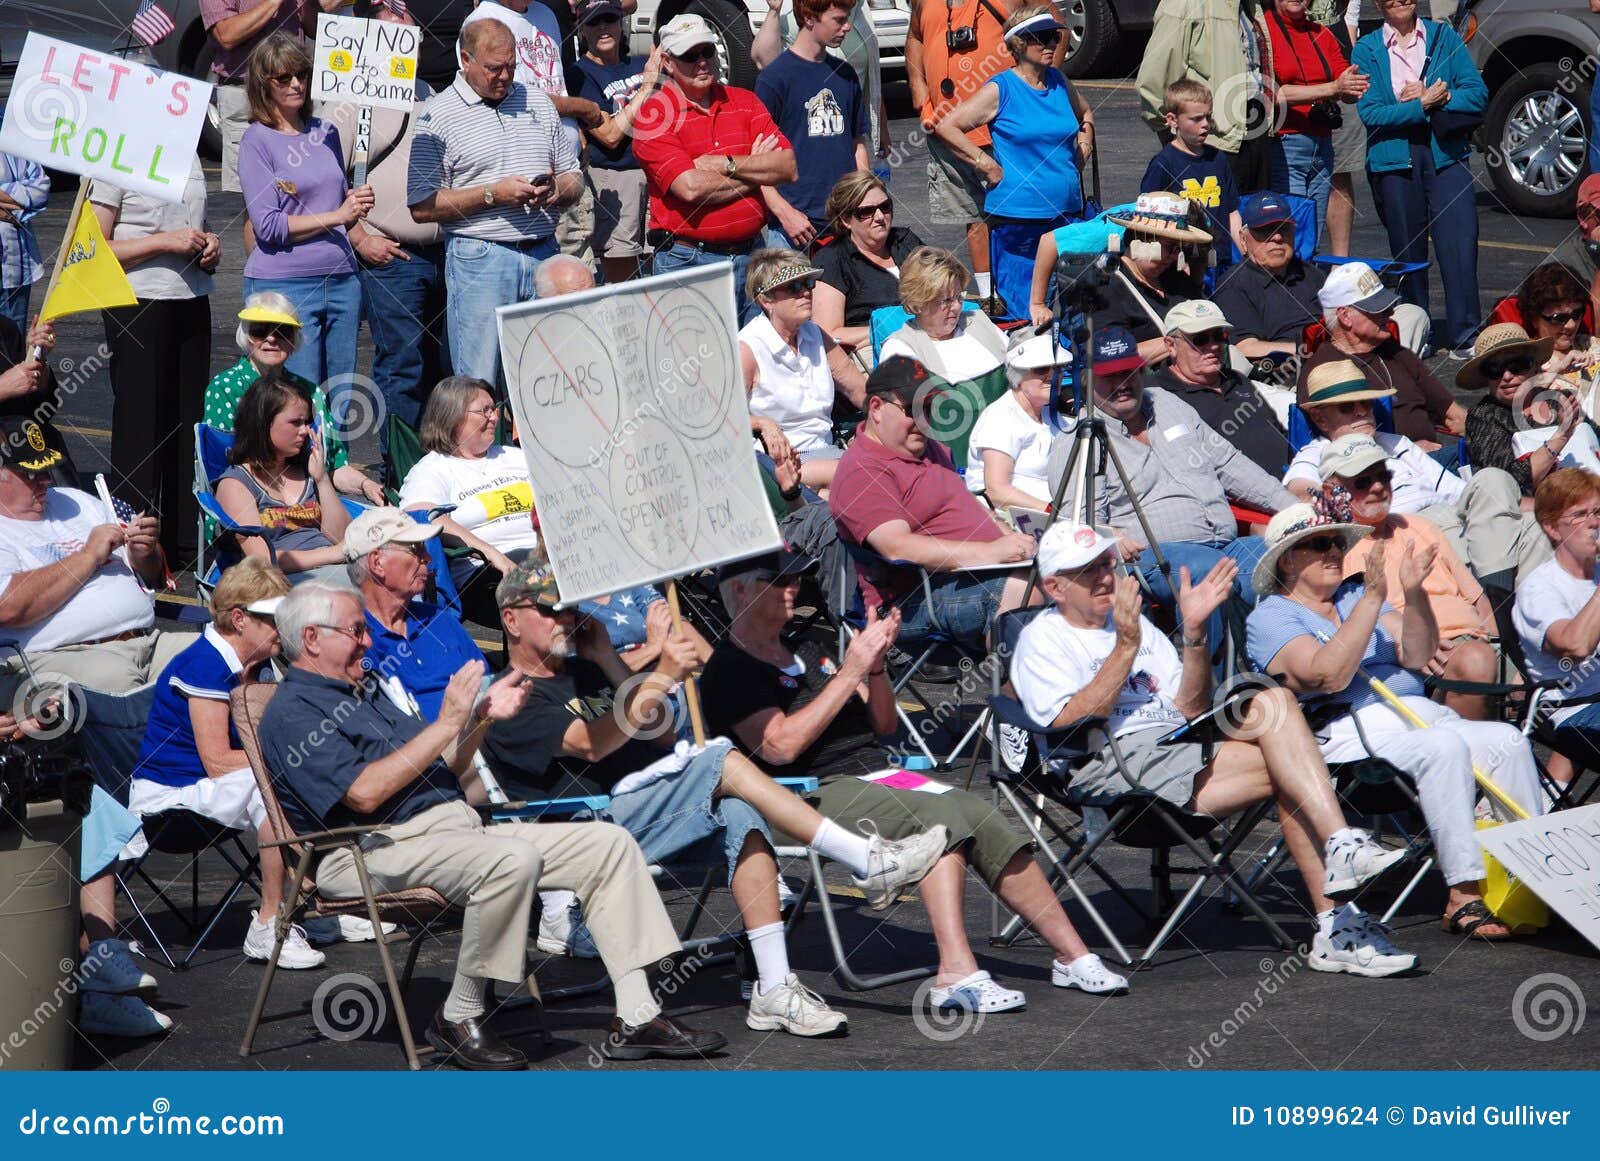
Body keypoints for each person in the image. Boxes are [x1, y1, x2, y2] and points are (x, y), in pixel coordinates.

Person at [257, 580, 728, 1069]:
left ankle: (637, 1013)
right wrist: (447, 720)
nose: (368, 642)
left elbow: (443, 764)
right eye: (356, 632)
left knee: (607, 843)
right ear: (312, 638)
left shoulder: (366, 688)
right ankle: (458, 1014)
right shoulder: (294, 712)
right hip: (365, 850)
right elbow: (365, 793)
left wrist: (478, 719)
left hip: (451, 830)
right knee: (510, 859)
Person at [479, 558, 950, 1036]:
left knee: (739, 812)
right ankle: (863, 860)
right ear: (511, 620)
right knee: (720, 758)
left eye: (568, 609)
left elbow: (660, 733)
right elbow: (592, 742)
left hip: (642, 814)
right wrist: (663, 670)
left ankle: (773, 986)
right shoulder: (510, 695)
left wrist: (605, 657)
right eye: (548, 610)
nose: (565, 619)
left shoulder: (585, 673)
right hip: (583, 829)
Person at [703, 548, 1130, 1010]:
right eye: (780, 580)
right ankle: (955, 972)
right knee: (940, 818)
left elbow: (884, 725)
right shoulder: (731, 668)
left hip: (874, 774)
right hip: (804, 794)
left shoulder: (812, 643)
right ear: (741, 590)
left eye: (798, 580)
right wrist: (849, 672)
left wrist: (877, 666)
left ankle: (1072, 955)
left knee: (979, 812)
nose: (794, 589)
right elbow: (780, 747)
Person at [1014, 518, 1418, 976]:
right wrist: (1125, 644)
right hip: (1116, 764)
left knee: (1275, 700)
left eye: (1107, 562)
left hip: (1179, 745)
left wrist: (1194, 634)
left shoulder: (1137, 626)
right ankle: (1337, 922)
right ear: (1054, 586)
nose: (1106, 575)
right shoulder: (1041, 639)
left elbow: (1188, 707)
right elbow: (1072, 725)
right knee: (1290, 765)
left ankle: (1340, 863)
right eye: (1088, 570)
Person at [1247, 502, 1547, 941]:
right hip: (1348, 728)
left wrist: (1414, 590)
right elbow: (1325, 676)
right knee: (1444, 749)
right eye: (1318, 544)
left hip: (1417, 714)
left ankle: (1532, 882)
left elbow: (1418, 654)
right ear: (1288, 560)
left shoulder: (1352, 594)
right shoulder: (1272, 616)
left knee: (1508, 742)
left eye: (1336, 542)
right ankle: (1462, 894)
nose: (1334, 551)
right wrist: (1371, 600)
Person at [124, 560, 333, 969]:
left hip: (213, 789)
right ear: (239, 619)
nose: (285, 630)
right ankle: (270, 926)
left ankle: (309, 904)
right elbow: (218, 761)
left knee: (308, 776)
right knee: (273, 785)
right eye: (276, 620)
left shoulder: (261, 663)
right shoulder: (205, 664)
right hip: (171, 798)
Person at [1045, 327, 1294, 651]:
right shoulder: (1082, 439)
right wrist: (1109, 537)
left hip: (1226, 543)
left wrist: (1293, 508)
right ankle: (1217, 688)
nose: (1123, 383)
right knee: (1207, 576)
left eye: (1129, 371)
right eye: (1110, 376)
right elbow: (1076, 526)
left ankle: (1288, 668)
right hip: (1155, 556)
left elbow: (1229, 463)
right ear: (1087, 380)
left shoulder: (1165, 403)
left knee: (1289, 560)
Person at [408, 19, 583, 387]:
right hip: (481, 260)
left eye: (511, 67)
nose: (504, 76)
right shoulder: (436, 115)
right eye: (493, 68)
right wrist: (493, 195)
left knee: (549, 380)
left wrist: (555, 190)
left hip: (543, 253)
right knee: (478, 382)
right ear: (465, 59)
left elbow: (573, 178)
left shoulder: (537, 101)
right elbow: (421, 206)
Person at [829, 356, 1037, 651]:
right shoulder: (863, 472)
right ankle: (1011, 691)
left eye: (928, 409)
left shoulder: (928, 447)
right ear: (876, 408)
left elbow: (962, 501)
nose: (923, 421)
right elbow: (897, 547)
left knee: (1075, 574)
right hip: (910, 602)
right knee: (1026, 588)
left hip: (969, 575)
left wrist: (1000, 529)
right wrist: (992, 552)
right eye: (912, 409)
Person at [322, 7, 450, 467]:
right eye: (390, 25)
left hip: (440, 253)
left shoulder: (429, 92)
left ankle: (437, 470)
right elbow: (322, 175)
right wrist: (357, 236)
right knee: (403, 367)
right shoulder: (351, 100)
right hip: (390, 257)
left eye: (408, 25)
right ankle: (403, 472)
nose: (404, 34)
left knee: (438, 370)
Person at [1288, 359, 1541, 588]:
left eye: (1366, 402)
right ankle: (1497, 604)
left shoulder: (1395, 442)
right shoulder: (1318, 454)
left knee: (1527, 518)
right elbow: (1299, 493)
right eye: (1347, 407)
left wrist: (1542, 507)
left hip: (1452, 516)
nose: (1361, 411)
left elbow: (1460, 493)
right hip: (1403, 532)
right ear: (1321, 419)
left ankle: (1513, 613)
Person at [91, 154, 219, 566]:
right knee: (140, 424)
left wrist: (210, 243)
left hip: (192, 297)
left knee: (187, 421)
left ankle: (184, 541)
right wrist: (164, 242)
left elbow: (198, 224)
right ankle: (134, 542)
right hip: (137, 300)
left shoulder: (191, 155)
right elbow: (93, 248)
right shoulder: (114, 155)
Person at [0, 417, 192, 693]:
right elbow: (8, 608)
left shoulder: (76, 501)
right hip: (65, 656)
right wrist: (88, 556)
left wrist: (143, 554)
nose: (45, 481)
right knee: (126, 690)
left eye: (47, 469)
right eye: (31, 474)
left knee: (222, 661)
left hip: (145, 640)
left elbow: (151, 576)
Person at [239, 32, 372, 427]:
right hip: (287, 285)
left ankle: (334, 481)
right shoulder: (256, 141)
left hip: (342, 278)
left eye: (301, 74)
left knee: (340, 400)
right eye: (284, 78)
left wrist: (356, 201)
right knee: (298, 399)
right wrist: (338, 216)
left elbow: (333, 194)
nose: (296, 83)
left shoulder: (325, 131)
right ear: (265, 85)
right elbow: (268, 226)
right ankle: (298, 484)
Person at [632, 15, 798, 326]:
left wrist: (725, 164)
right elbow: (691, 188)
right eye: (689, 56)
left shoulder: (745, 101)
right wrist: (756, 170)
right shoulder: (653, 117)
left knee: (758, 363)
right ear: (667, 62)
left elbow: (787, 166)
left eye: (707, 51)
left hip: (753, 257)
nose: (702, 62)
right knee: (702, 367)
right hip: (690, 262)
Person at [931, 6, 1092, 321]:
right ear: (1018, 44)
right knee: (1024, 315)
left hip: (1067, 216)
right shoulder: (1001, 88)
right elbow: (947, 126)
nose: (1052, 44)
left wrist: (1083, 145)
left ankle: (1073, 369)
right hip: (1020, 222)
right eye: (1041, 38)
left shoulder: (1058, 81)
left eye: (1055, 37)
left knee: (1077, 312)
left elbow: (1085, 113)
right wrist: (985, 164)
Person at [1320, 433, 1497, 719]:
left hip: (1480, 642)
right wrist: (1417, 641)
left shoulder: (1419, 526)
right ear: (1332, 491)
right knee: (1477, 662)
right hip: (1425, 659)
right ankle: (1480, 760)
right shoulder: (1332, 553)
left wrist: (1498, 647)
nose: (1378, 487)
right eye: (1362, 482)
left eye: (1383, 476)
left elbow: (1479, 601)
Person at [1352, 0, 1486, 357]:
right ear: (1378, 3)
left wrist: (1442, 96)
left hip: (1445, 154)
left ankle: (1465, 334)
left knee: (1459, 242)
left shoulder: (1444, 37)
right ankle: (1416, 330)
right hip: (1393, 159)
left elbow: (1477, 93)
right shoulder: (1366, 48)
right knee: (1407, 250)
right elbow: (1372, 113)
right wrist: (1420, 105)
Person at [457, 0, 606, 268]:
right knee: (546, 279)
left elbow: (553, 81)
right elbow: (513, 96)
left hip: (566, 169)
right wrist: (581, 108)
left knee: (577, 273)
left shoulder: (545, 14)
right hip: (527, 180)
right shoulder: (483, 21)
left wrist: (574, 130)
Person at [204, 294, 384, 506]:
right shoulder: (226, 387)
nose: (271, 338)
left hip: (307, 505)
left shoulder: (310, 391)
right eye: (260, 330)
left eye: (282, 331)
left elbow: (334, 466)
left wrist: (366, 485)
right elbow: (223, 465)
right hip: (248, 503)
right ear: (247, 336)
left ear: (293, 340)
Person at [905, 0, 1031, 300]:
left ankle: (1021, 295)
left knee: (1017, 218)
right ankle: (990, 300)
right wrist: (920, 94)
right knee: (974, 220)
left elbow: (1051, 24)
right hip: (948, 132)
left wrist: (1039, 90)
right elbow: (915, 37)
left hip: (1004, 129)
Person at [1213, 195, 1428, 360]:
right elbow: (1246, 348)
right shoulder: (1234, 285)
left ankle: (1384, 374)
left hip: (1345, 344)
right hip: (1298, 364)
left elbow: (1347, 313)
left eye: (1283, 229)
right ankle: (1384, 376)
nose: (1277, 237)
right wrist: (1312, 348)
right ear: (1243, 238)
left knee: (1412, 314)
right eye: (1265, 231)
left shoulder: (1310, 272)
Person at [398, 376, 540, 625]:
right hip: (484, 572)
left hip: (544, 557)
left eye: (494, 409)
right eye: (484, 411)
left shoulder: (515, 457)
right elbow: (422, 516)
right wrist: (492, 553)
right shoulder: (433, 468)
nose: (494, 417)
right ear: (452, 416)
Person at [739, 250, 867, 496]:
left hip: (826, 452)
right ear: (767, 300)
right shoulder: (748, 347)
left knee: (840, 497)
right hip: (780, 462)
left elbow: (859, 390)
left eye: (808, 283)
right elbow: (725, 419)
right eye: (793, 286)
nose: (806, 292)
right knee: (866, 476)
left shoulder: (816, 335)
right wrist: (762, 422)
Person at [344, 509, 487, 724]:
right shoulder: (348, 640)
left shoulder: (441, 619)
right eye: (416, 549)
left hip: (481, 739)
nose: (428, 558)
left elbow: (486, 687)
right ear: (377, 563)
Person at [1300, 261, 1462, 449]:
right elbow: (1339, 447)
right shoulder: (1324, 372)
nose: (1390, 312)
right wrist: (1409, 452)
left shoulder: (1395, 352)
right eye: (1377, 309)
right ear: (1345, 316)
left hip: (1435, 460)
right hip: (1383, 469)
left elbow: (1453, 415)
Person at [1034, 192, 1207, 362]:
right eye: (1171, 248)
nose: (1178, 257)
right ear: (1143, 240)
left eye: (1182, 249)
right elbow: (1049, 241)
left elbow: (1201, 259)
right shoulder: (1107, 283)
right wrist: (1037, 304)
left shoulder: (1175, 277)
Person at [755, 0, 871, 250]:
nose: (847, 27)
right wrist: (785, 213)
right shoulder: (775, 79)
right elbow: (754, 163)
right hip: (792, 230)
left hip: (844, 223)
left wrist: (864, 199)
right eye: (839, 20)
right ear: (809, 18)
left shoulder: (846, 74)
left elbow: (856, 143)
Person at [215, 378, 354, 584]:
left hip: (334, 569)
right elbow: (261, 561)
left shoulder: (308, 472)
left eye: (307, 422)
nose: (305, 430)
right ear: (263, 423)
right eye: (295, 422)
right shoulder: (236, 484)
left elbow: (343, 538)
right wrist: (333, 554)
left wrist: (322, 479)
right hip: (281, 582)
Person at [1513, 468, 1600, 792]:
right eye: (1579, 515)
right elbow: (1576, 646)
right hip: (1574, 712)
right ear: (1551, 528)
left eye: (1598, 511)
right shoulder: (1540, 588)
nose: (1594, 523)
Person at [1138, 0, 1276, 195]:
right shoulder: (1183, 4)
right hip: (1214, 138)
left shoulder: (1250, 5)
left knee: (1252, 219)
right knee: (1210, 220)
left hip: (1253, 128)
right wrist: (1174, 134)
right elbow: (1154, 79)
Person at [880, 247, 1009, 445]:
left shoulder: (979, 322)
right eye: (946, 300)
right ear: (918, 302)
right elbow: (904, 427)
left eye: (959, 297)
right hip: (949, 461)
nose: (957, 307)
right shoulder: (901, 348)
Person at [571, 3, 661, 284]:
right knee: (621, 272)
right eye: (593, 22)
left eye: (609, 20)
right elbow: (609, 136)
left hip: (655, 172)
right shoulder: (579, 74)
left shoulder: (639, 62)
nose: (603, 28)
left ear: (622, 22)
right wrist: (647, 88)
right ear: (582, 30)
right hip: (615, 177)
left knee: (657, 261)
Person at [1149, 299, 1288, 477]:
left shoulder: (1237, 379)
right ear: (1171, 345)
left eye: (1219, 336)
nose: (1213, 346)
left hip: (1295, 481)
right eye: (1200, 339)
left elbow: (1278, 431)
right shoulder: (1159, 396)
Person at [1263, 0, 1368, 235]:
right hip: (1285, 145)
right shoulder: (1265, 31)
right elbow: (1272, 93)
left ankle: (1312, 271)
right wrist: (1333, 88)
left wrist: (1353, 87)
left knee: (1312, 233)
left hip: (1322, 145)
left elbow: (1344, 82)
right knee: (1291, 231)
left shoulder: (1321, 33)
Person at [1462, 323, 1598, 499]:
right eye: (1494, 369)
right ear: (1486, 377)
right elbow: (1508, 486)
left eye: (1517, 365)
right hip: (1533, 514)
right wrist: (1560, 437)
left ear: (1534, 367)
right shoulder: (1484, 417)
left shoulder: (1559, 400)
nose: (1507, 376)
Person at [199, 0, 317, 195]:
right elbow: (227, 35)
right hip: (245, 95)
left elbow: (312, 27)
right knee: (254, 196)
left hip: (293, 93)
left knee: (302, 186)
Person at [1139, 79, 1241, 280]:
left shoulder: (1218, 158)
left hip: (1219, 260)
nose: (1205, 125)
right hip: (1180, 262)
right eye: (1196, 119)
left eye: (1208, 117)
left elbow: (1232, 211)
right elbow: (1147, 219)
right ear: (1172, 120)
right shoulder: (1163, 163)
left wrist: (1245, 253)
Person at [811, 171, 924, 352]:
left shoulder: (905, 241)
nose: (879, 217)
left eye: (885, 206)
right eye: (867, 211)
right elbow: (829, 333)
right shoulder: (832, 261)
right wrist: (894, 329)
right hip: (872, 348)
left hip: (929, 335)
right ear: (846, 220)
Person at [967, 330, 1064, 510]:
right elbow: (996, 491)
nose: (1053, 375)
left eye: (1058, 368)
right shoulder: (1001, 417)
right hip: (1007, 520)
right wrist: (1052, 511)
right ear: (1017, 376)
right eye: (1042, 368)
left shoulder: (1054, 415)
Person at [0, 150, 46, 339]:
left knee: (13, 350)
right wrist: (13, 201)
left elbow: (40, 189)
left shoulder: (14, 142)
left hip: (14, 267)